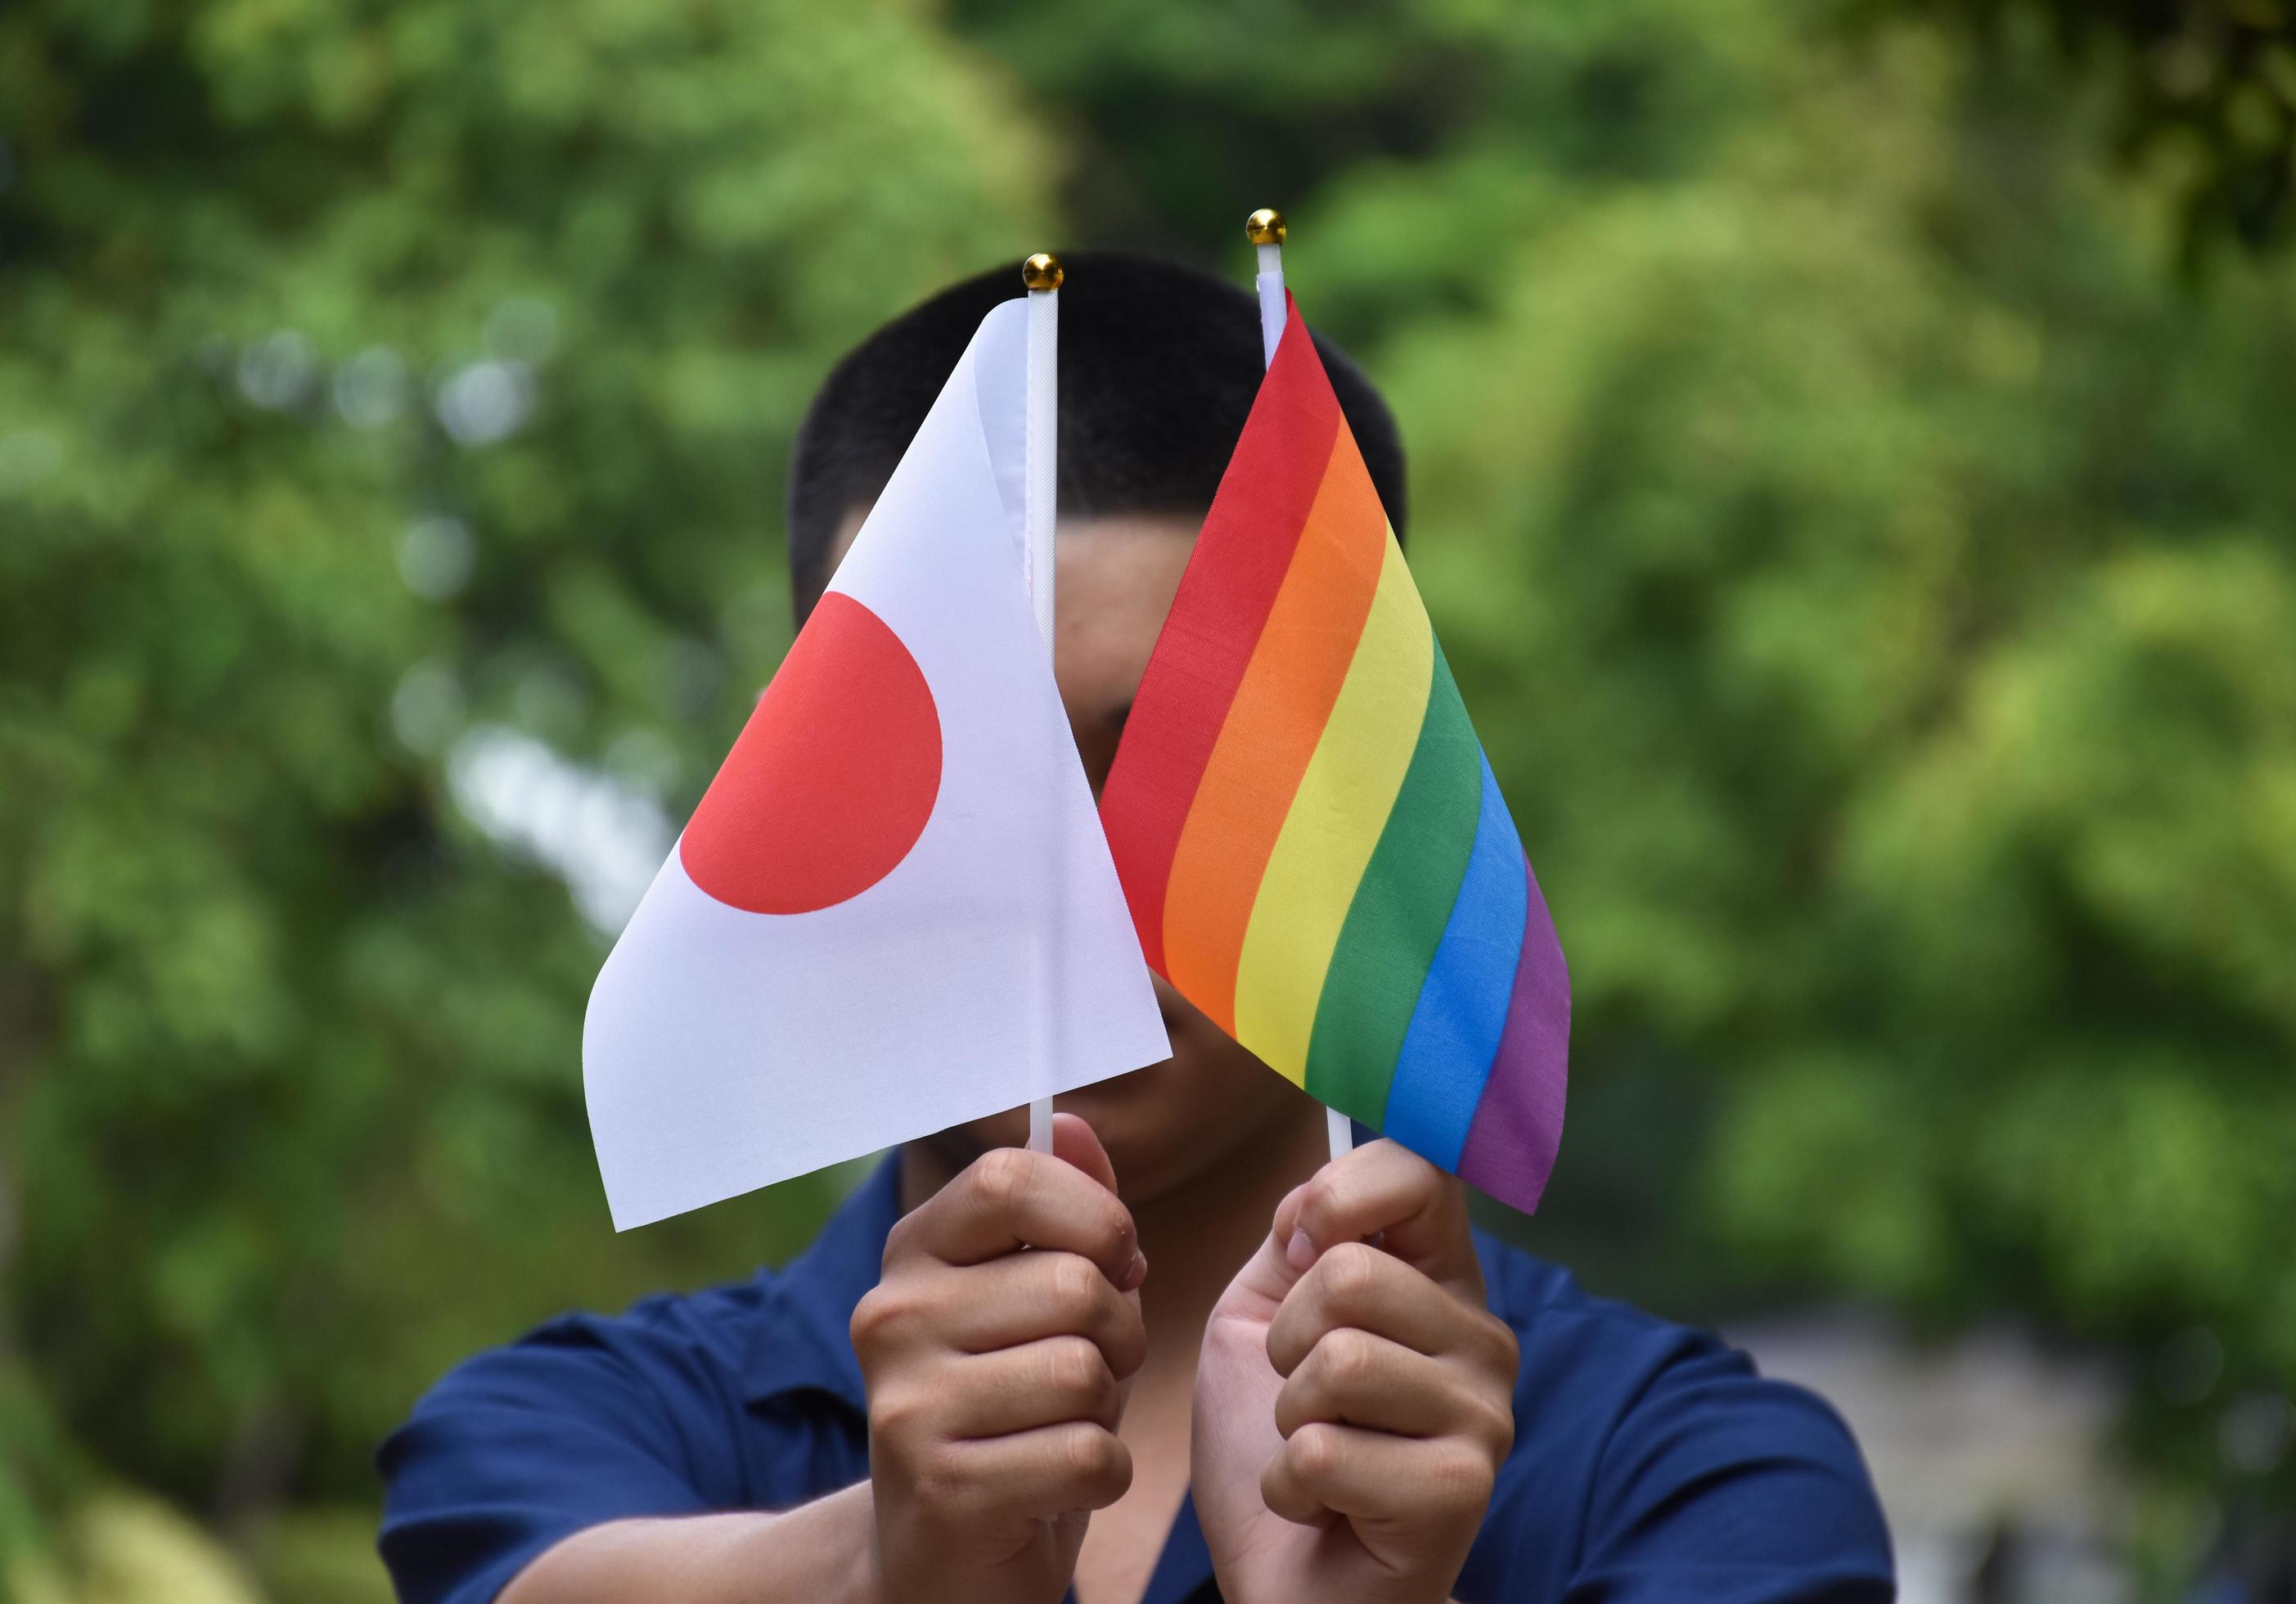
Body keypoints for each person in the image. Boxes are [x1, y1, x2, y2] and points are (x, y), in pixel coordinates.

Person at [376, 253, 1895, 1604]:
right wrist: (887, 1571)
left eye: (1187, 759)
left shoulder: (1692, 1485)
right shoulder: (568, 1438)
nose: (1073, 893)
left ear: (1358, 772)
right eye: (970, 756)